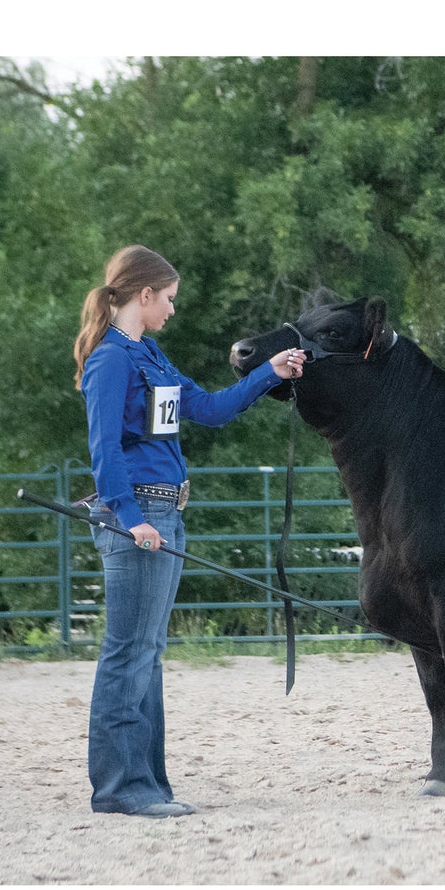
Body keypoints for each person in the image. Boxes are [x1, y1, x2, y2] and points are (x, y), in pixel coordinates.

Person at [73, 245, 305, 818]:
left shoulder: (149, 355)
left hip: (167, 513)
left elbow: (208, 408)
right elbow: (104, 450)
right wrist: (133, 520)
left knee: (146, 653)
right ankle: (120, 789)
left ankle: (148, 784)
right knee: (128, 652)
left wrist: (266, 374)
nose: (174, 310)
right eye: (170, 299)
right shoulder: (110, 361)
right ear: (144, 294)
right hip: (141, 518)